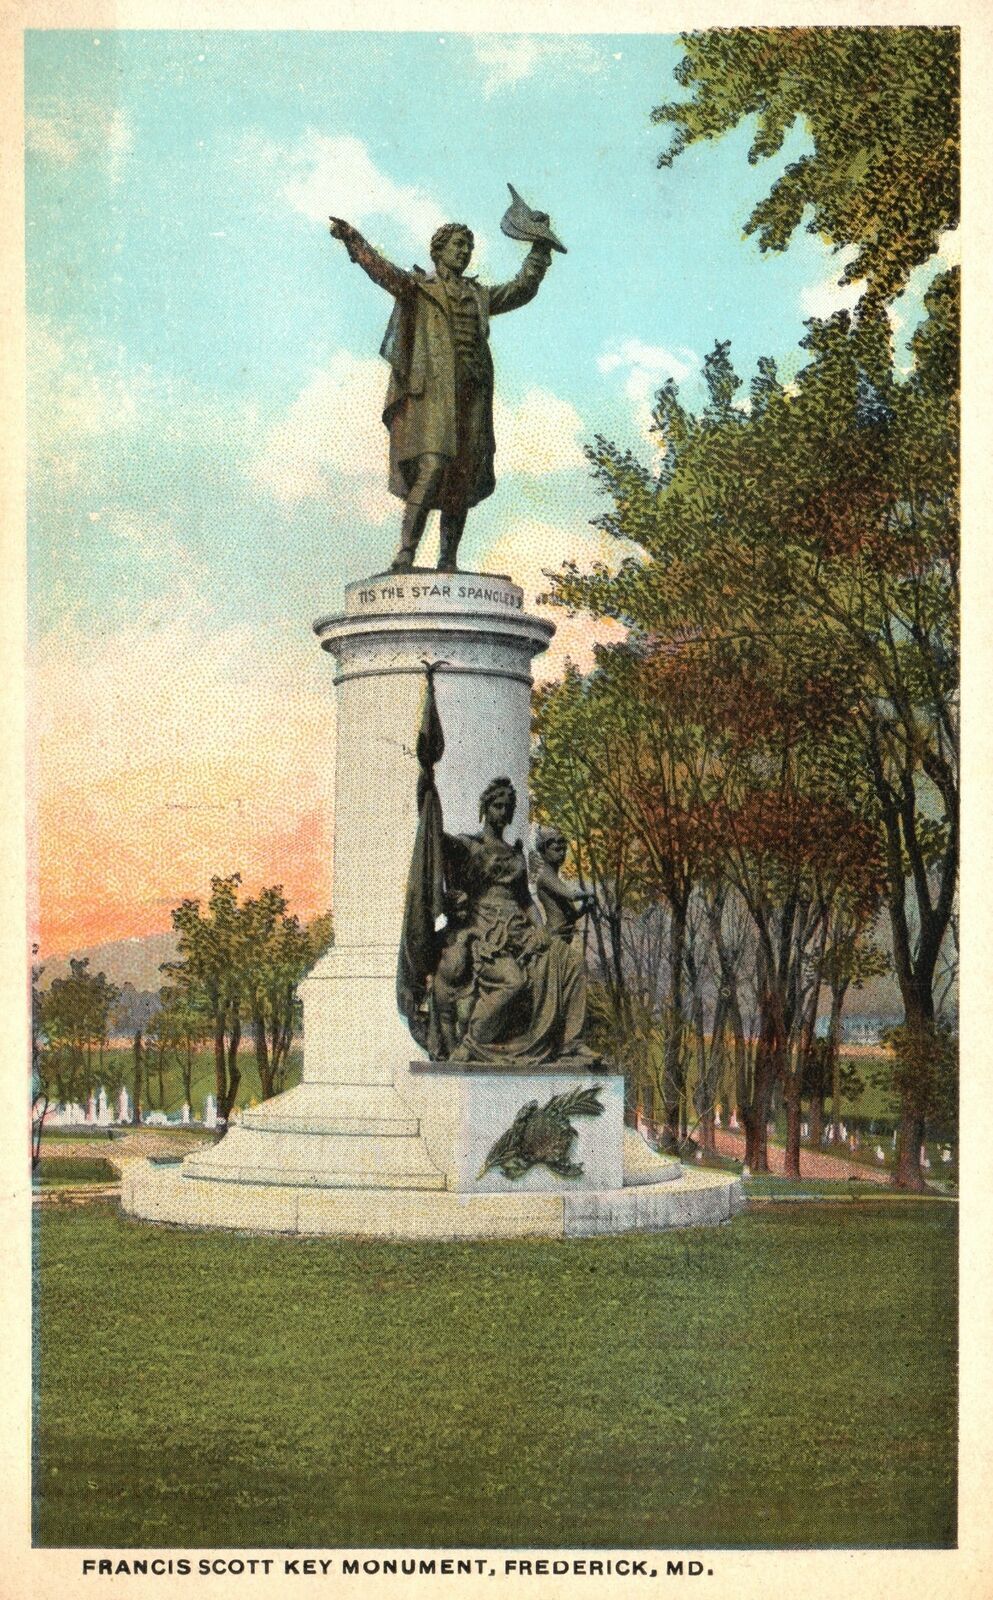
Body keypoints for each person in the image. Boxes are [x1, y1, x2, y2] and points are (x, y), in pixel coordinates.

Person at [328, 217, 553, 573]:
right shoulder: (419, 287)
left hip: (472, 393)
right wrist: (354, 242)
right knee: (432, 466)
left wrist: (540, 249)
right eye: (457, 245)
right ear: (438, 251)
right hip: (433, 395)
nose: (464, 252)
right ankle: (406, 553)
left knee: (461, 476)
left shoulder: (479, 295)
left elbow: (521, 289)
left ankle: (448, 561)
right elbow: (382, 272)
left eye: (469, 247)